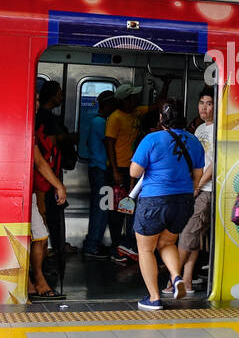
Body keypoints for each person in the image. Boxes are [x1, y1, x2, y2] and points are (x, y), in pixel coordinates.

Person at [128, 98, 206, 311]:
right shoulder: (193, 141)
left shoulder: (152, 139)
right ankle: (176, 276)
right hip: (183, 202)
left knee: (146, 249)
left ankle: (154, 298)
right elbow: (198, 175)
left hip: (154, 201)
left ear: (161, 118)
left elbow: (134, 172)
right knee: (167, 243)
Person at [169, 89, 214, 296]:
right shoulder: (200, 130)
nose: (204, 107)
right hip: (197, 188)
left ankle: (173, 279)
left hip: (206, 190)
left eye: (209, 103)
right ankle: (186, 281)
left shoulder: (218, 131)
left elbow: (214, 165)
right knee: (193, 236)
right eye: (202, 102)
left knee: (188, 234)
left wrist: (197, 185)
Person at [30, 86, 68, 299]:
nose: (36, 104)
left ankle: (36, 278)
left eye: (37, 99)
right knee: (36, 237)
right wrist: (58, 185)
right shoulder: (26, 124)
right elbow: (39, 161)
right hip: (27, 190)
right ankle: (34, 280)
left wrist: (56, 185)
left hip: (33, 190)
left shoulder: (33, 125)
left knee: (40, 237)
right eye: (33, 99)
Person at [104, 83, 149, 263]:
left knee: (130, 209)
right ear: (124, 100)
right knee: (115, 210)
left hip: (133, 168)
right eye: (132, 97)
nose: (136, 100)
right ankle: (116, 248)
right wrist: (114, 170)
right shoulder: (115, 118)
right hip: (119, 169)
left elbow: (157, 105)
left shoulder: (136, 113)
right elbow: (109, 144)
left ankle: (127, 246)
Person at [36, 80, 71, 258]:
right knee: (49, 211)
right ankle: (54, 247)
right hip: (48, 171)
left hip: (45, 171)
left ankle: (54, 245)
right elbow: (53, 144)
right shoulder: (47, 116)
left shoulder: (43, 114)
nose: (61, 97)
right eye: (60, 93)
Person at [82, 91, 117, 259]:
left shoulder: (94, 121)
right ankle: (92, 245)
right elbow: (109, 143)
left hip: (97, 169)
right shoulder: (101, 122)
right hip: (102, 170)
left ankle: (93, 242)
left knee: (101, 207)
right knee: (101, 208)